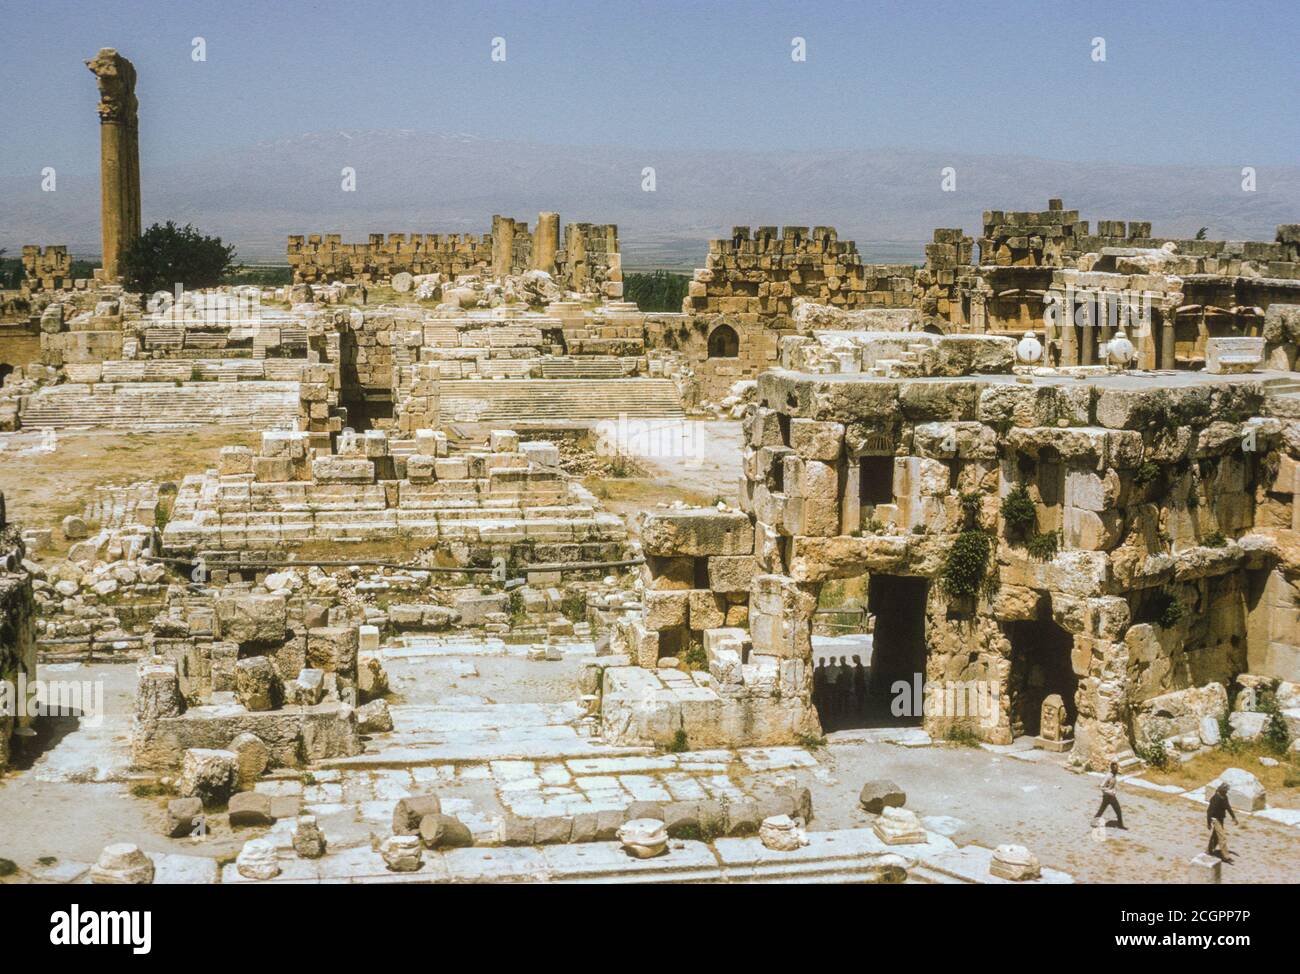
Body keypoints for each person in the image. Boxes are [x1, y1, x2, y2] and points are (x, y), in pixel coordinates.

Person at [1207, 782, 1238, 863]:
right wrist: (1208, 822)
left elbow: (1228, 807)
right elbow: (1209, 811)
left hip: (1221, 819)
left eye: (1227, 791)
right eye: (1225, 790)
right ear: (1221, 790)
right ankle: (1225, 857)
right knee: (1222, 837)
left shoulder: (1224, 797)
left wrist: (1233, 817)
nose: (1226, 792)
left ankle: (1209, 851)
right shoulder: (1215, 798)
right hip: (1215, 819)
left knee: (1216, 836)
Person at [1093, 761, 1126, 830]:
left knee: (1103, 810)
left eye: (1117, 768)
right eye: (1115, 768)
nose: (1117, 770)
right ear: (1112, 768)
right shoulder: (1108, 776)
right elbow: (1102, 786)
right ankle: (1120, 825)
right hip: (1108, 796)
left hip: (1110, 796)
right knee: (1117, 810)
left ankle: (1094, 822)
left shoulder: (1114, 775)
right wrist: (1110, 792)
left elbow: (1111, 785)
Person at [851, 655, 867, 720]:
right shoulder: (860, 666)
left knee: (859, 699)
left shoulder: (859, 667)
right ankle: (860, 711)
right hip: (860, 685)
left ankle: (860, 712)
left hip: (859, 685)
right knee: (860, 699)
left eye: (854, 659)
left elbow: (858, 677)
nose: (853, 660)